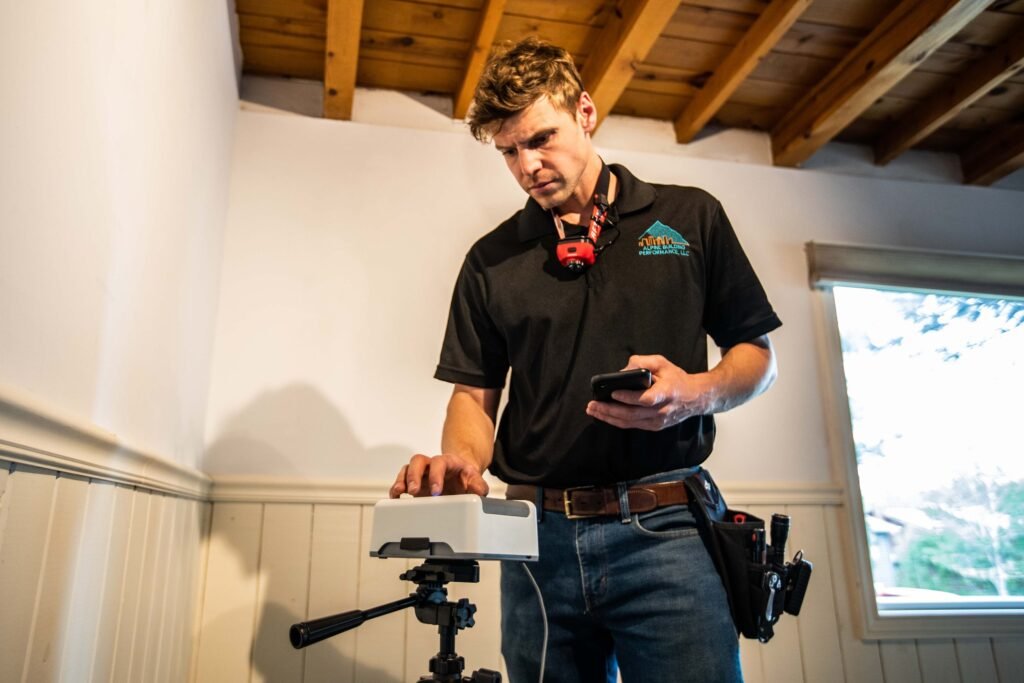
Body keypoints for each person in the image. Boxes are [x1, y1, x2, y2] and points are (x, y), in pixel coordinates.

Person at [390, 37, 781, 683]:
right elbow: (472, 394)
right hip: (535, 541)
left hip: (669, 533)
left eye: (541, 138)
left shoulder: (690, 216)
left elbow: (758, 358)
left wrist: (697, 392)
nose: (527, 165)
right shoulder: (489, 260)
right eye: (509, 151)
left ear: (587, 113)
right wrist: (462, 462)